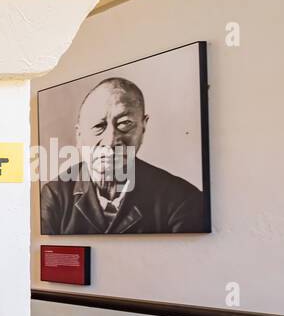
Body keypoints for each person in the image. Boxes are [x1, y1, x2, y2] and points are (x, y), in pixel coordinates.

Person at [39, 77, 206, 234]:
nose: (110, 141)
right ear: (79, 134)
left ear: (143, 126)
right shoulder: (55, 196)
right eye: (98, 126)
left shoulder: (181, 199)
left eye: (125, 124)